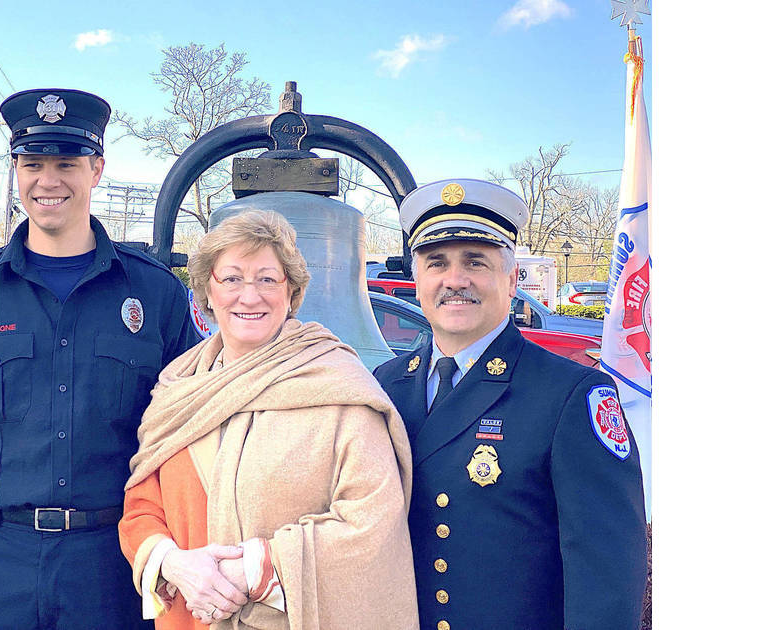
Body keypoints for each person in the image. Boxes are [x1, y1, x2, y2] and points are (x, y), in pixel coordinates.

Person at [0, 88, 204, 630]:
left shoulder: (156, 293)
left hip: (114, 565)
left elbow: (191, 432)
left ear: (97, 169)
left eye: (67, 163)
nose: (48, 180)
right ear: (15, 170)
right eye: (33, 164)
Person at [120, 209, 419, 630]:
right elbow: (142, 506)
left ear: (291, 291)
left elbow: (372, 520)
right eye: (231, 279)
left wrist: (258, 569)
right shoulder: (178, 388)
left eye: (267, 279)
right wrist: (172, 562)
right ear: (207, 290)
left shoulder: (339, 387)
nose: (249, 296)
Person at [371, 178, 648, 630]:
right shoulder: (386, 386)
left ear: (512, 277)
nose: (454, 280)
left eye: (475, 262)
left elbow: (607, 575)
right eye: (437, 263)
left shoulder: (570, 394)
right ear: (416, 280)